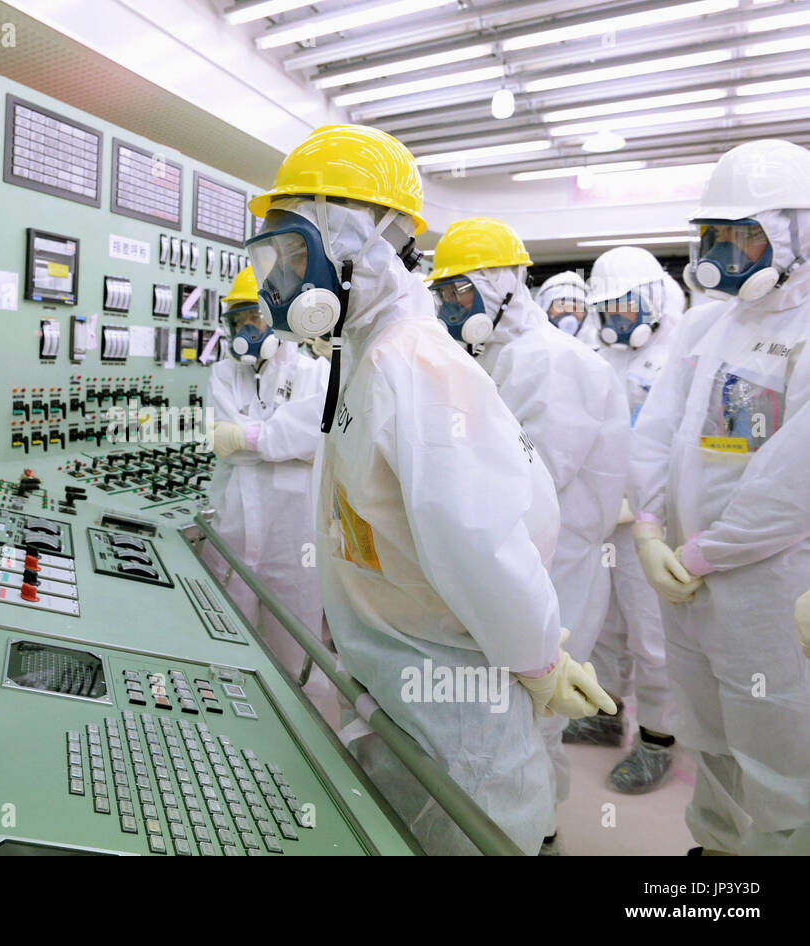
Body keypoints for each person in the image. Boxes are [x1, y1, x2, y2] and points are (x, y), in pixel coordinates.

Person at [244, 124, 614, 856]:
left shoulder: (415, 365)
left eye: (295, 255)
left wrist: (540, 663)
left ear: (358, 249)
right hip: (402, 683)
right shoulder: (368, 351)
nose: (278, 280)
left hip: (454, 710)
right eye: (273, 257)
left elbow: (481, 546)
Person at [630, 138, 810, 855]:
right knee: (707, 732)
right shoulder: (707, 324)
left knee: (777, 744)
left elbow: (792, 482)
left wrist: (705, 551)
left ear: (797, 231)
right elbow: (657, 431)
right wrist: (647, 525)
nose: (725, 254)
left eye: (745, 235)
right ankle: (718, 857)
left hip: (766, 586)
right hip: (684, 578)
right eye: (714, 236)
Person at [429, 219, 629, 845]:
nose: (452, 309)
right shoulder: (500, 358)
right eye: (445, 297)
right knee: (512, 712)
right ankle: (527, 828)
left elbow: (530, 476)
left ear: (501, 286)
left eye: (462, 293)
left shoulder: (553, 362)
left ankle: (537, 833)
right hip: (522, 562)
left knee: (534, 716)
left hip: (556, 566)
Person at [567, 246, 684, 794]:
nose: (618, 320)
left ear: (656, 300)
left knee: (651, 633)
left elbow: (672, 447)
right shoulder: (599, 356)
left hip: (648, 525)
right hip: (602, 522)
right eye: (608, 310)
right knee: (605, 625)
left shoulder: (680, 355)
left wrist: (645, 510)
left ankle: (659, 737)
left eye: (627, 308)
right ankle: (607, 713)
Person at [202, 267, 336, 726]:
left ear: (275, 319)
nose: (245, 331)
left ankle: (317, 752)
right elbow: (235, 451)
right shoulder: (222, 374)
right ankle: (234, 741)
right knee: (226, 649)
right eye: (237, 321)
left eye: (253, 319)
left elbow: (311, 436)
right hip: (234, 534)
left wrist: (248, 437)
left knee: (300, 656)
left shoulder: (313, 372)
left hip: (293, 542)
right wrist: (273, 442)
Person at [536, 270, 598, 345]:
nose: (569, 311)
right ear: (544, 308)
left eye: (576, 307)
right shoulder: (530, 348)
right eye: (561, 306)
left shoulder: (596, 352)